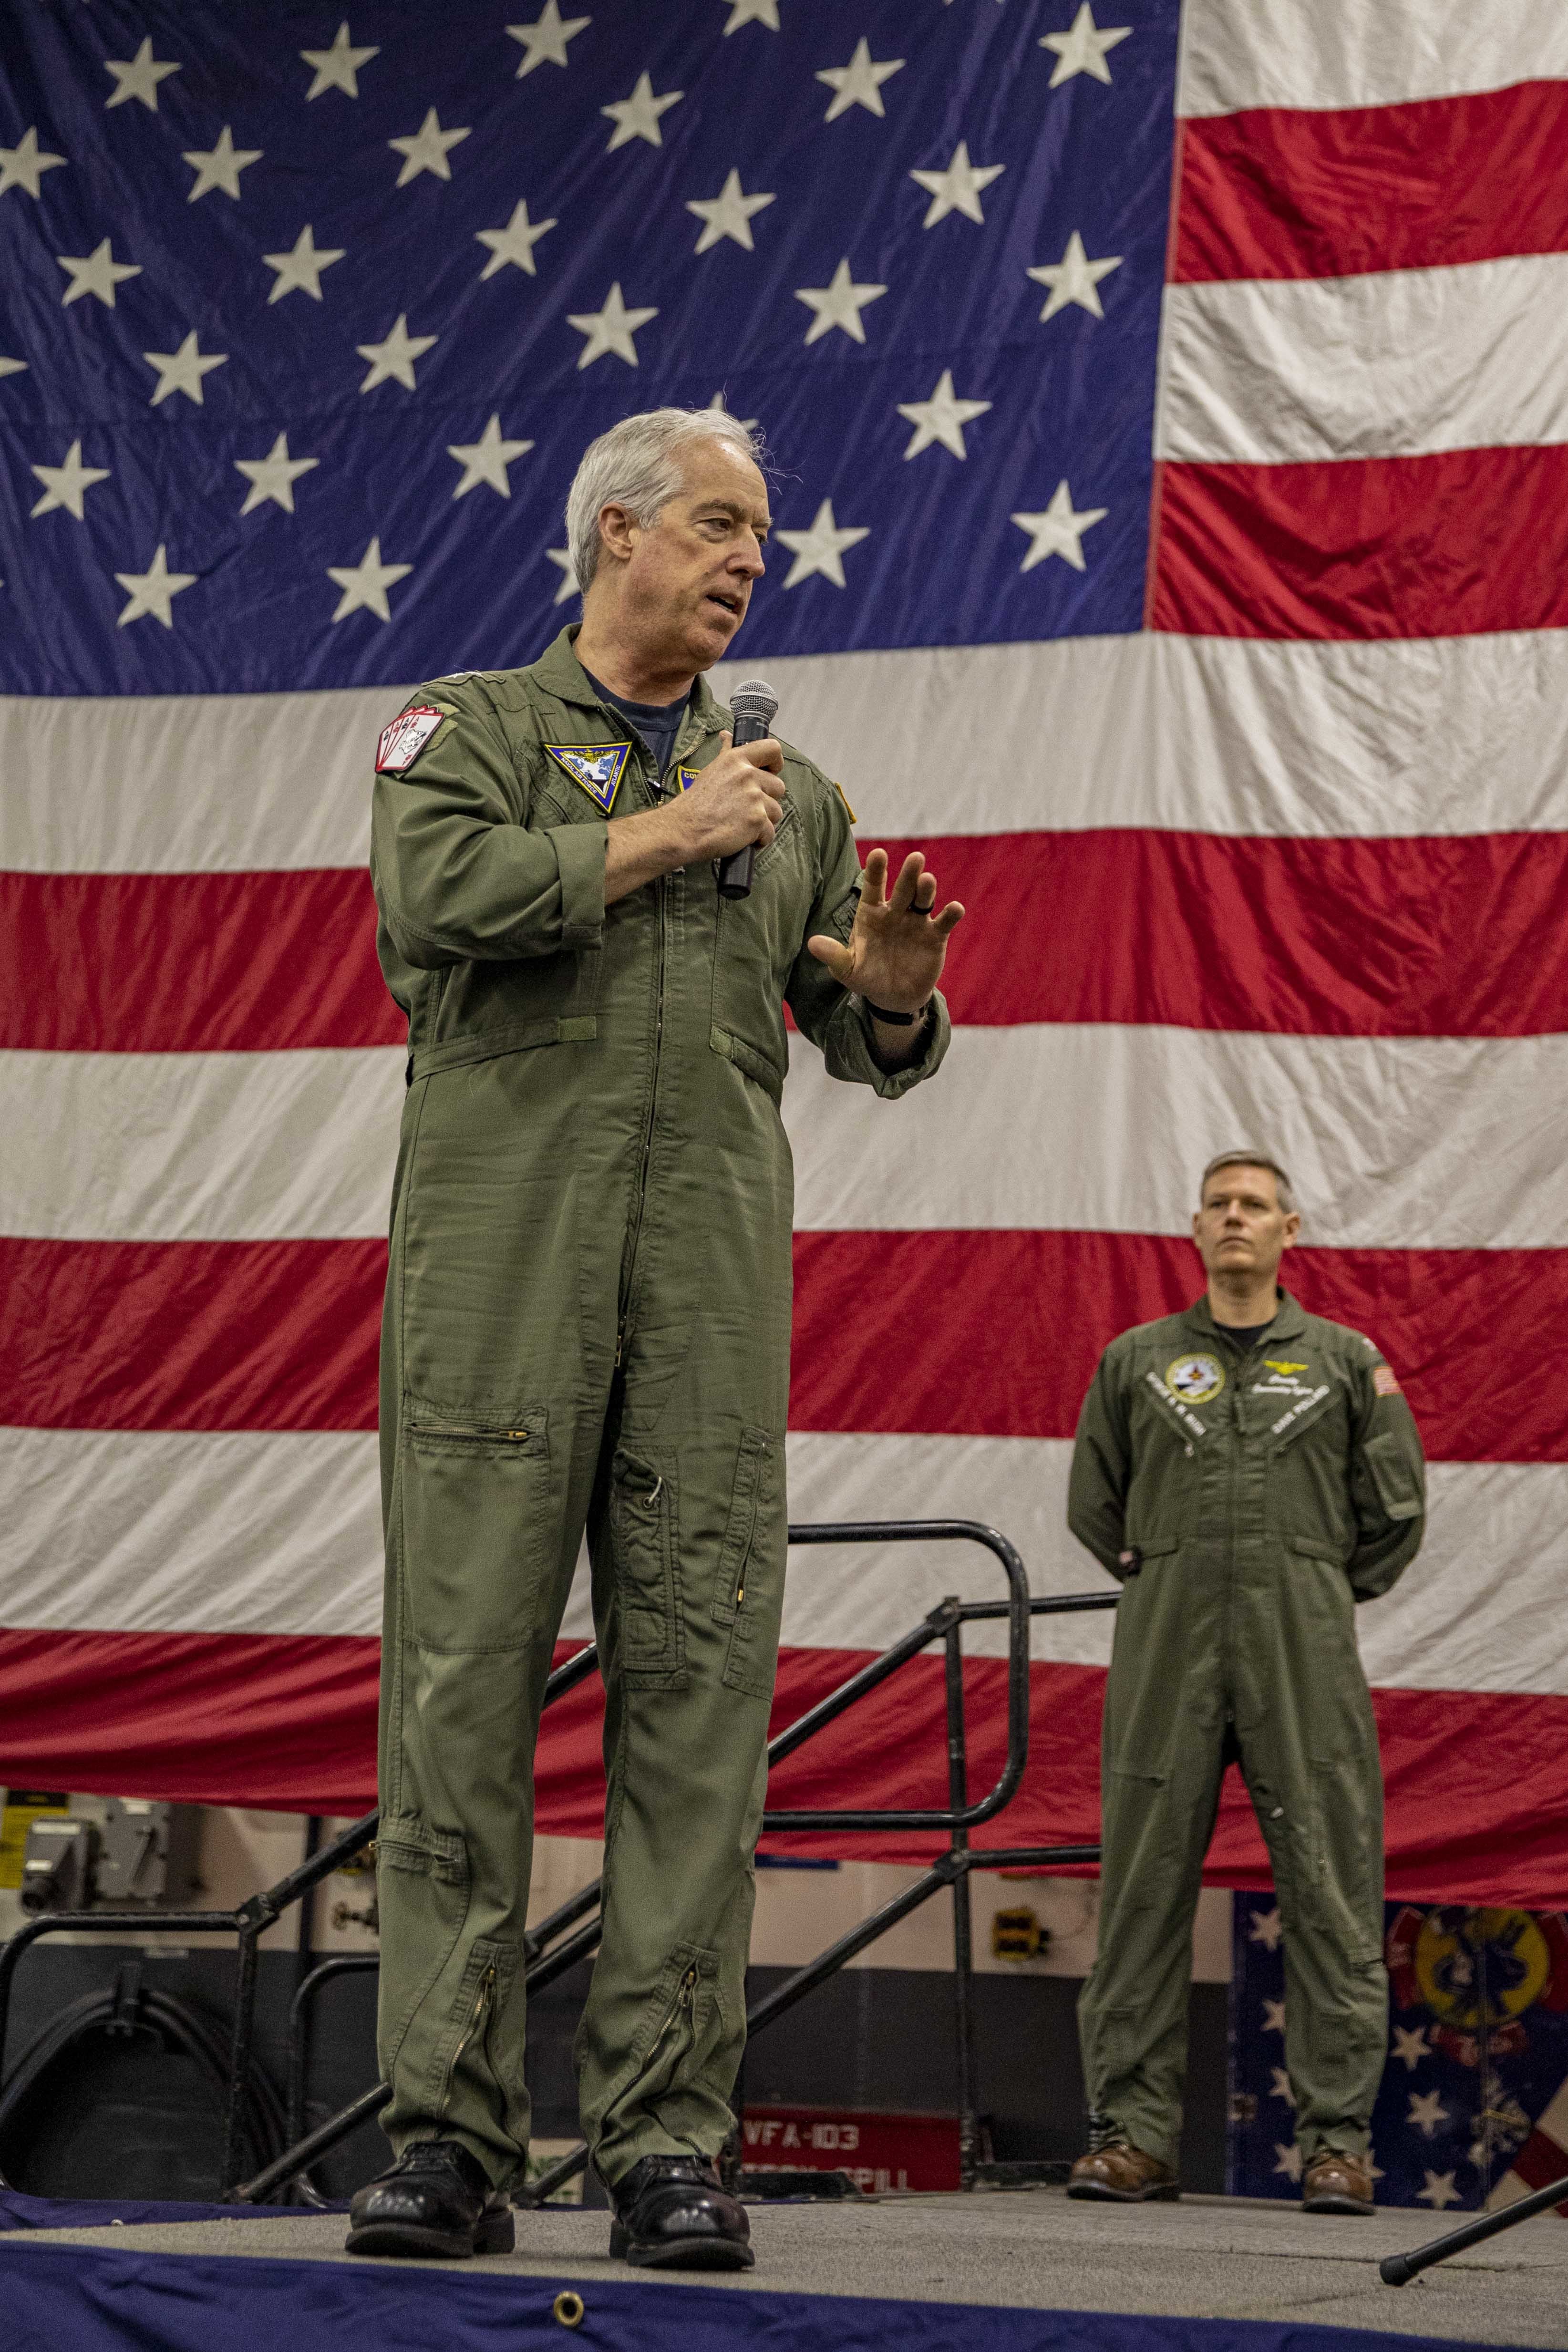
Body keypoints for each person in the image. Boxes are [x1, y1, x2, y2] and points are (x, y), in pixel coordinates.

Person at [346, 408, 964, 2267]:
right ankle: (446, 2141)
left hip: (705, 1306)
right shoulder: (466, 733)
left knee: (698, 1711)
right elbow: (429, 908)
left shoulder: (791, 795)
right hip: (499, 1293)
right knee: (461, 1696)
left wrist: (897, 998)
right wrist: (661, 832)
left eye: (758, 535)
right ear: (614, 533)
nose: (746, 558)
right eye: (714, 523)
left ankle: (667, 2146)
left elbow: (860, 1033)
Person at [1064, 1152, 1425, 2216]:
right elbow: (1095, 1505)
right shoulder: (1136, 1360)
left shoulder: (1345, 1362)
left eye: (1255, 1205)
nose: (1235, 1217)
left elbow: (1395, 1515)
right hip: (1167, 1648)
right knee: (1141, 1893)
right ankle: (1132, 2139)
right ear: (1196, 1228)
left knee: (1330, 1892)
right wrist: (1171, 1573)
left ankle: (1337, 2148)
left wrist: (1308, 1584)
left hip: (1301, 1651)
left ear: (1288, 1231)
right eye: (1219, 1204)